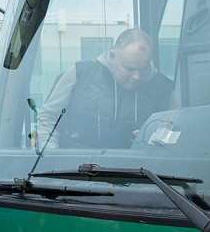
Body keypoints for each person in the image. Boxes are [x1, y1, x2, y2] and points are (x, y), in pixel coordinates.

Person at [36, 28, 173, 149]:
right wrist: (50, 153)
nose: (137, 76)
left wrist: (150, 137)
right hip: (73, 171)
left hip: (137, 172)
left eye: (143, 68)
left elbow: (173, 130)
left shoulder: (163, 87)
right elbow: (48, 117)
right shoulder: (82, 73)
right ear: (113, 57)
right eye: (129, 68)